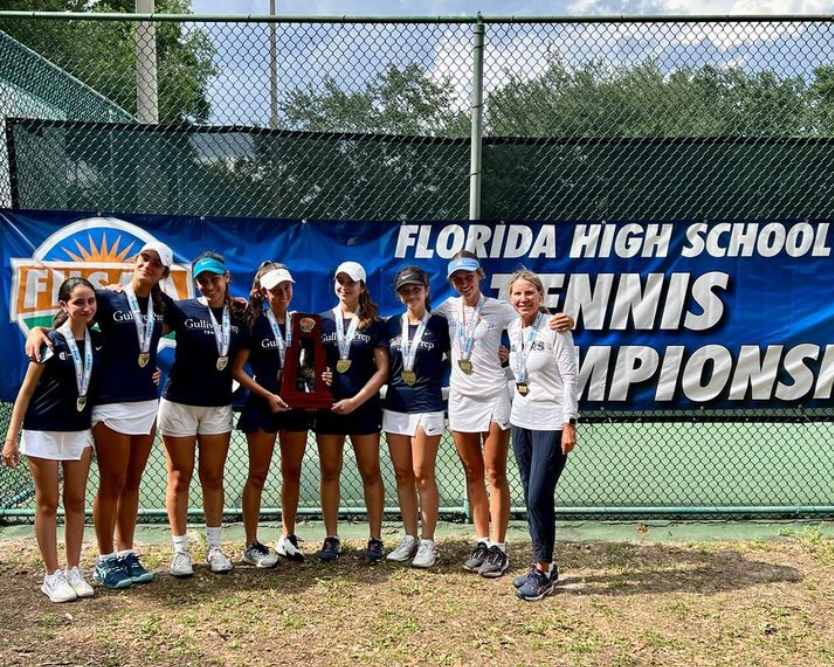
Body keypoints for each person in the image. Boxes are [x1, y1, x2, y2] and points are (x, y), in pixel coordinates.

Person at [24, 242, 175, 589]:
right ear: (135, 262)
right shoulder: (107, 298)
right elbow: (67, 325)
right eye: (144, 259)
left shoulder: (162, 307)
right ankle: (105, 559)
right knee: (113, 482)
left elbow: (192, 317)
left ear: (164, 273)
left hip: (145, 404)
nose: (147, 266)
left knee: (133, 482)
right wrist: (38, 331)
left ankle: (126, 552)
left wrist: (236, 304)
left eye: (156, 264)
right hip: (110, 405)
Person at [433, 250, 573, 578]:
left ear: (480, 275)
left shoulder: (502, 307)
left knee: (494, 471)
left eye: (469, 276)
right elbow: (414, 322)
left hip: (496, 395)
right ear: (451, 281)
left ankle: (499, 547)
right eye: (457, 278)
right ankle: (481, 540)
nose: (463, 283)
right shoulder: (445, 310)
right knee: (472, 471)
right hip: (461, 398)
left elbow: (536, 321)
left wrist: (566, 320)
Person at [3, 277, 101, 603]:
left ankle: (74, 569)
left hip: (79, 433)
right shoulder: (48, 342)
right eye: (78, 302)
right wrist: (10, 439)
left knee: (76, 502)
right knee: (47, 503)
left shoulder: (99, 343)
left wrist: (153, 374)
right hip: (42, 431)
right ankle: (51, 575)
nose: (86, 308)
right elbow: (26, 392)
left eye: (90, 301)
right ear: (64, 306)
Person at [159, 251, 249, 577]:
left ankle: (214, 547)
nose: (209, 285)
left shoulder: (241, 315)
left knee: (212, 477)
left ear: (227, 278)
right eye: (202, 280)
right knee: (179, 477)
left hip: (217, 406)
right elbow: (142, 335)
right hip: (179, 404)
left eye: (215, 279)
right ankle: (180, 551)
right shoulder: (181, 309)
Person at [505, 269, 578, 601]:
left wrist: (569, 422)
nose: (523, 299)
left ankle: (544, 571)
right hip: (521, 421)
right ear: (511, 299)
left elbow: (570, 377)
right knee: (530, 496)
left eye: (529, 293)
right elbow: (522, 373)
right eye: (517, 294)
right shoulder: (512, 328)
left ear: (540, 296)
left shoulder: (555, 328)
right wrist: (505, 360)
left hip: (551, 423)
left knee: (537, 496)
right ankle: (541, 565)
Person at [231, 262, 309, 567]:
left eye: (287, 287)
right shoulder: (255, 323)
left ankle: (287, 537)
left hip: (295, 406)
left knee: (292, 472)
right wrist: (267, 394)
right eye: (276, 289)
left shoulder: (303, 324)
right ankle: (251, 543)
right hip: (263, 405)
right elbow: (238, 370)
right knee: (258, 475)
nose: (283, 293)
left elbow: (308, 366)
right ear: (264, 292)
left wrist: (317, 379)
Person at [315, 261, 389, 563]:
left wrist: (356, 401)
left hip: (363, 407)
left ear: (362, 286)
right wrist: (317, 377)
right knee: (330, 472)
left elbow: (383, 370)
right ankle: (331, 537)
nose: (344, 286)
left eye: (351, 281)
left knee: (370, 472)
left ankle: (375, 539)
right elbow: (308, 366)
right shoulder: (319, 322)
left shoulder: (375, 323)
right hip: (329, 409)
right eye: (340, 280)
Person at [383, 267, 450, 568]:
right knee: (402, 474)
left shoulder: (441, 325)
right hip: (396, 405)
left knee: (422, 472)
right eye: (405, 291)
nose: (410, 295)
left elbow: (465, 353)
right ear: (399, 295)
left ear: (426, 289)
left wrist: (499, 354)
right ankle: (410, 536)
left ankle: (428, 541)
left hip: (428, 404)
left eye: (415, 289)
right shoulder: (391, 325)